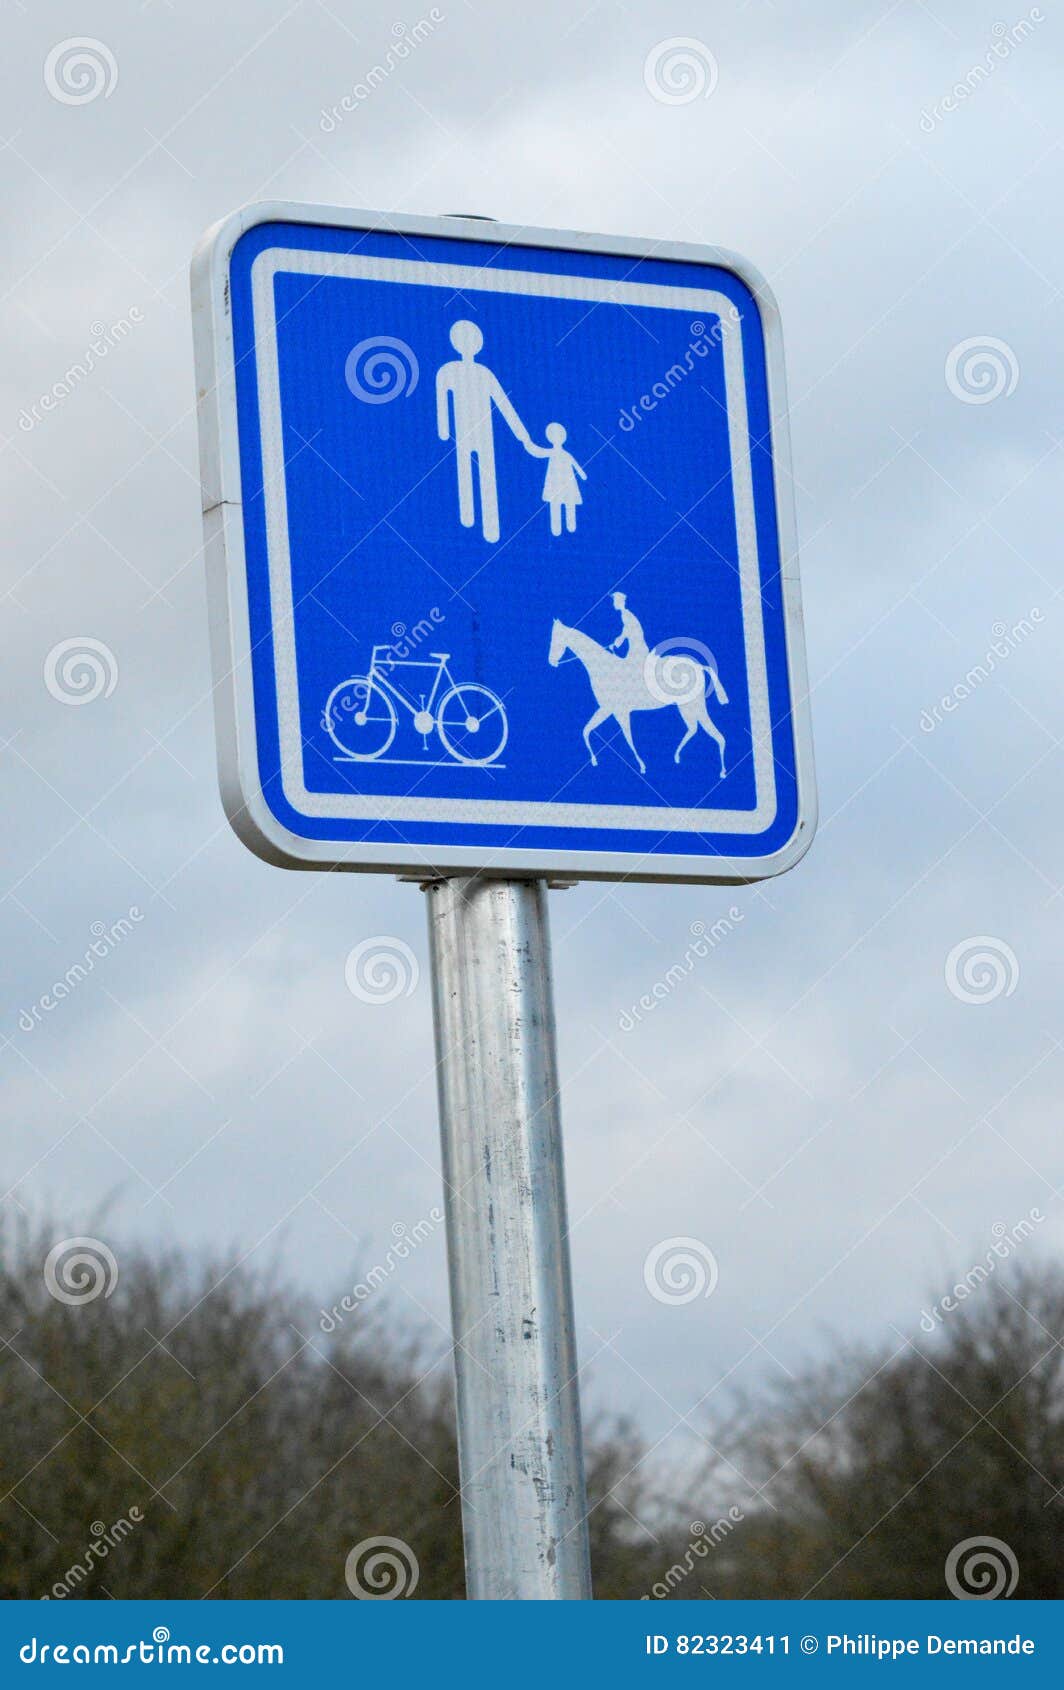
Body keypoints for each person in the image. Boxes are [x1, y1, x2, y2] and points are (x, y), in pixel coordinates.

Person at [435, 320, 534, 543]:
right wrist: (444, 430)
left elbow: (503, 404)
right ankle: (467, 518)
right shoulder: (447, 371)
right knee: (465, 471)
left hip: (484, 432)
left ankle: (490, 527)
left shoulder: (484, 373)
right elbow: (442, 401)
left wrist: (522, 436)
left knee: (486, 474)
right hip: (461, 431)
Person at [528, 421, 587, 535]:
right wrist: (527, 443)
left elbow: (575, 465)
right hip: (555, 484)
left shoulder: (565, 454)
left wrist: (582, 474)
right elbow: (538, 452)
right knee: (557, 504)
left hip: (568, 483)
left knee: (568, 503)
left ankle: (570, 527)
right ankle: (557, 530)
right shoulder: (554, 452)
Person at [609, 592, 649, 668]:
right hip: (637, 647)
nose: (614, 603)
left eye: (615, 601)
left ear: (619, 602)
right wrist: (619, 640)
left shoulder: (626, 615)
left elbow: (628, 630)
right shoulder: (626, 614)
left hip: (637, 649)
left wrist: (618, 641)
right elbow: (627, 630)